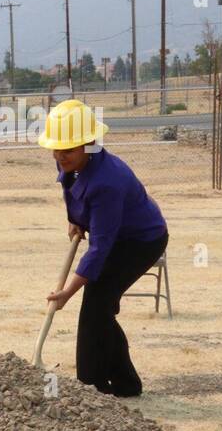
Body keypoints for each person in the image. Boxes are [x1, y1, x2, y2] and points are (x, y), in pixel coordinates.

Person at [40, 99, 168, 397]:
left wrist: (67, 293)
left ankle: (94, 384)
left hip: (140, 242)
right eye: (56, 149)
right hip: (116, 236)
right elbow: (70, 188)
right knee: (100, 309)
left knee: (96, 306)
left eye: (68, 149)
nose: (60, 155)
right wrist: (75, 219)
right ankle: (120, 383)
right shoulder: (74, 162)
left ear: (89, 143)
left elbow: (100, 249)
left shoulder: (107, 182)